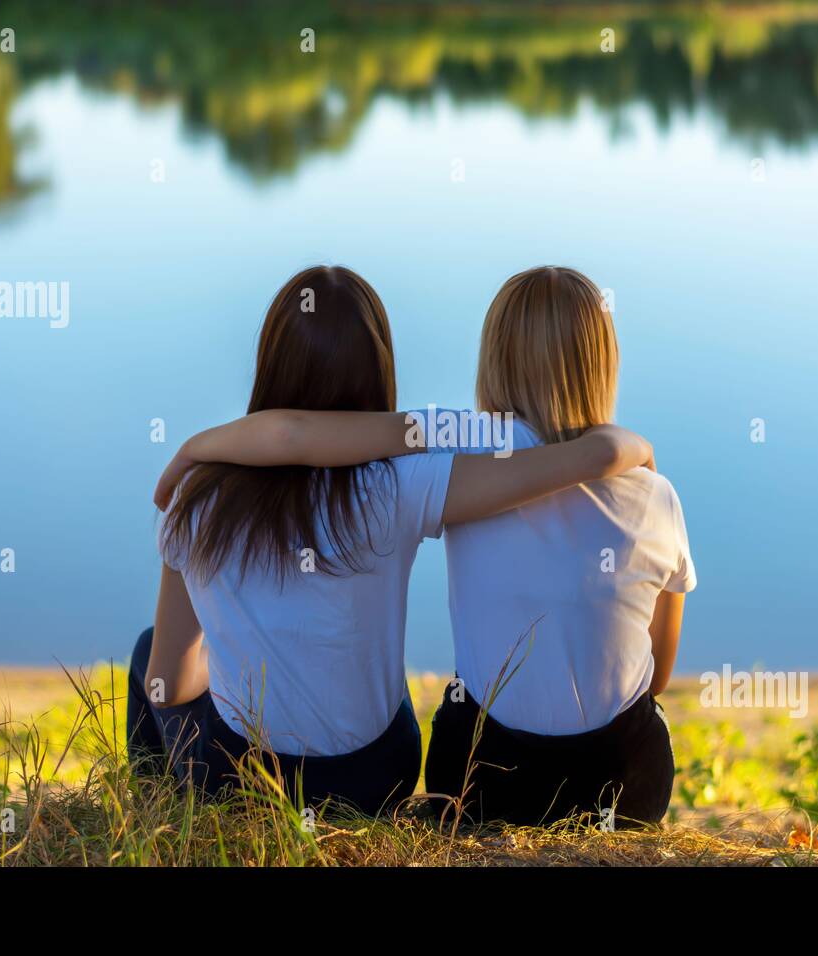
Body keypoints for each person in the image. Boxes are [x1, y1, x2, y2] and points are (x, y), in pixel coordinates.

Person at [132, 265, 656, 819]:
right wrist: (615, 451)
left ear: (269, 360)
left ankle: (148, 814)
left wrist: (197, 450)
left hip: (241, 783)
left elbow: (166, 686)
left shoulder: (194, 498)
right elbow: (536, 460)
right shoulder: (405, 483)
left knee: (152, 651)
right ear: (380, 365)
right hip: (374, 780)